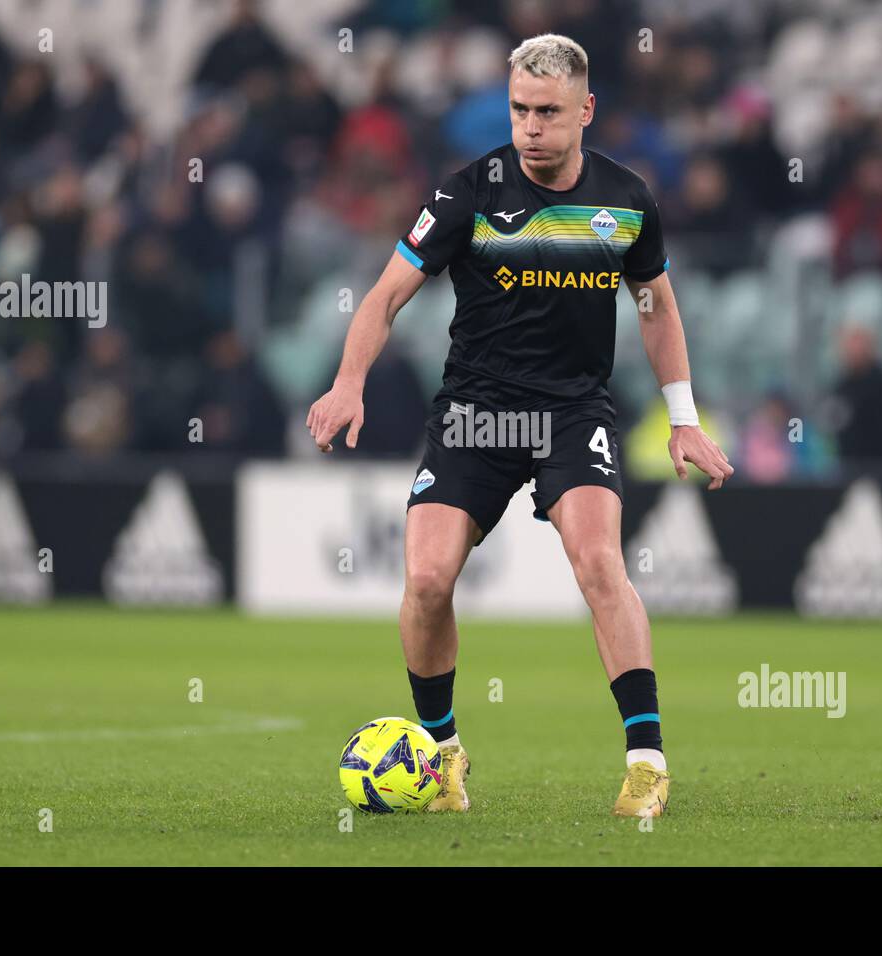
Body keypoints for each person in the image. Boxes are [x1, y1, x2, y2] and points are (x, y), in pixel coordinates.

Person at [307, 34, 733, 818]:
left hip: (573, 412)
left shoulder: (627, 199)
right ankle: (442, 754)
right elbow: (383, 297)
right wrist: (348, 383)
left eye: (547, 112)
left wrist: (682, 418)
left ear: (585, 110)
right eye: (519, 110)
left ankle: (646, 762)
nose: (530, 127)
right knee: (428, 581)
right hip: (475, 413)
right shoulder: (467, 193)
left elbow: (657, 304)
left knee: (600, 562)